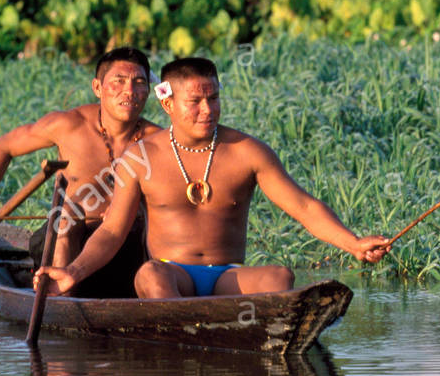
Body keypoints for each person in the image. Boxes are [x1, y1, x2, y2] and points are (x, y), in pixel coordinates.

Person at [35, 56, 390, 298]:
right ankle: (180, 337)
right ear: (168, 103)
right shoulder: (141, 157)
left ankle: (243, 332)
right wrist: (74, 272)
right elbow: (111, 231)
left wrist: (353, 243)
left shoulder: (247, 151)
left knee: (280, 277)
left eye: (214, 98)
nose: (208, 110)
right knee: (149, 276)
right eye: (195, 102)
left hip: (228, 278)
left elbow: (303, 206)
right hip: (172, 275)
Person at [0, 46, 161, 298]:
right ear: (98, 88)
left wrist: (136, 211)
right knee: (67, 217)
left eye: (139, 82)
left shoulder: (158, 142)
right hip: (63, 241)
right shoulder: (69, 125)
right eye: (119, 82)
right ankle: (61, 300)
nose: (129, 91)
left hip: (125, 248)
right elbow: (3, 148)